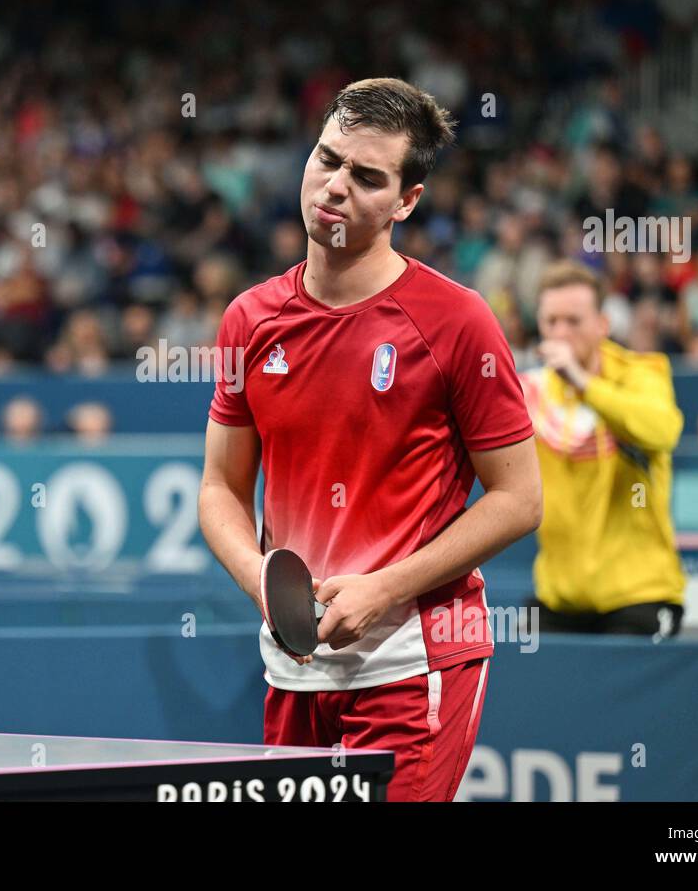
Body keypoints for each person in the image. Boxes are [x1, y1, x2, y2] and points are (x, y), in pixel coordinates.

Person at [199, 78, 541, 802]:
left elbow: (519, 500)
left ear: (406, 201)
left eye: (366, 176)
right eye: (327, 160)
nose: (335, 187)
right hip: (292, 661)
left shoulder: (458, 322)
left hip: (414, 659)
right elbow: (220, 488)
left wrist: (383, 589)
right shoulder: (248, 320)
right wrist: (265, 586)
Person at [520, 261, 685, 638]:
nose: (560, 333)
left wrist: (582, 384)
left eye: (573, 321)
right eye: (551, 322)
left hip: (640, 596)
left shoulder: (643, 374)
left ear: (602, 325)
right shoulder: (531, 393)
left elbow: (663, 429)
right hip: (559, 598)